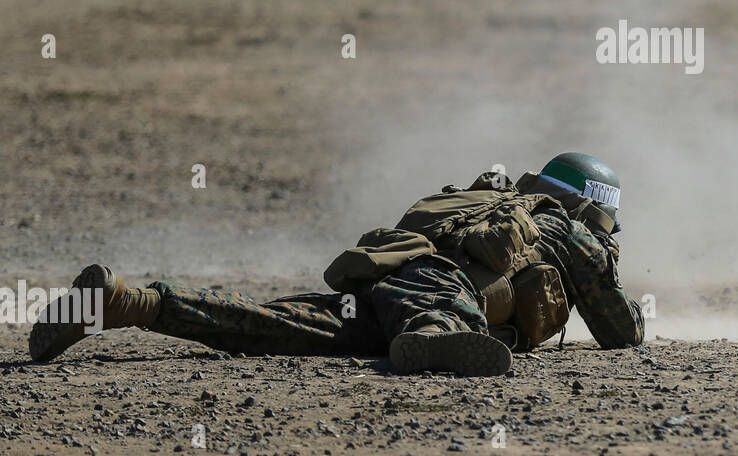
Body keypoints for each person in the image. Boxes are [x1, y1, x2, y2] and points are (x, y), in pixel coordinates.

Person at [29, 152, 644, 377]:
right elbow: (620, 333)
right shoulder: (564, 226)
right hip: (433, 287)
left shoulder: (492, 195)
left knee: (274, 326)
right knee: (441, 312)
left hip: (380, 289)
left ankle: (125, 301)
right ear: (594, 206)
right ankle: (436, 341)